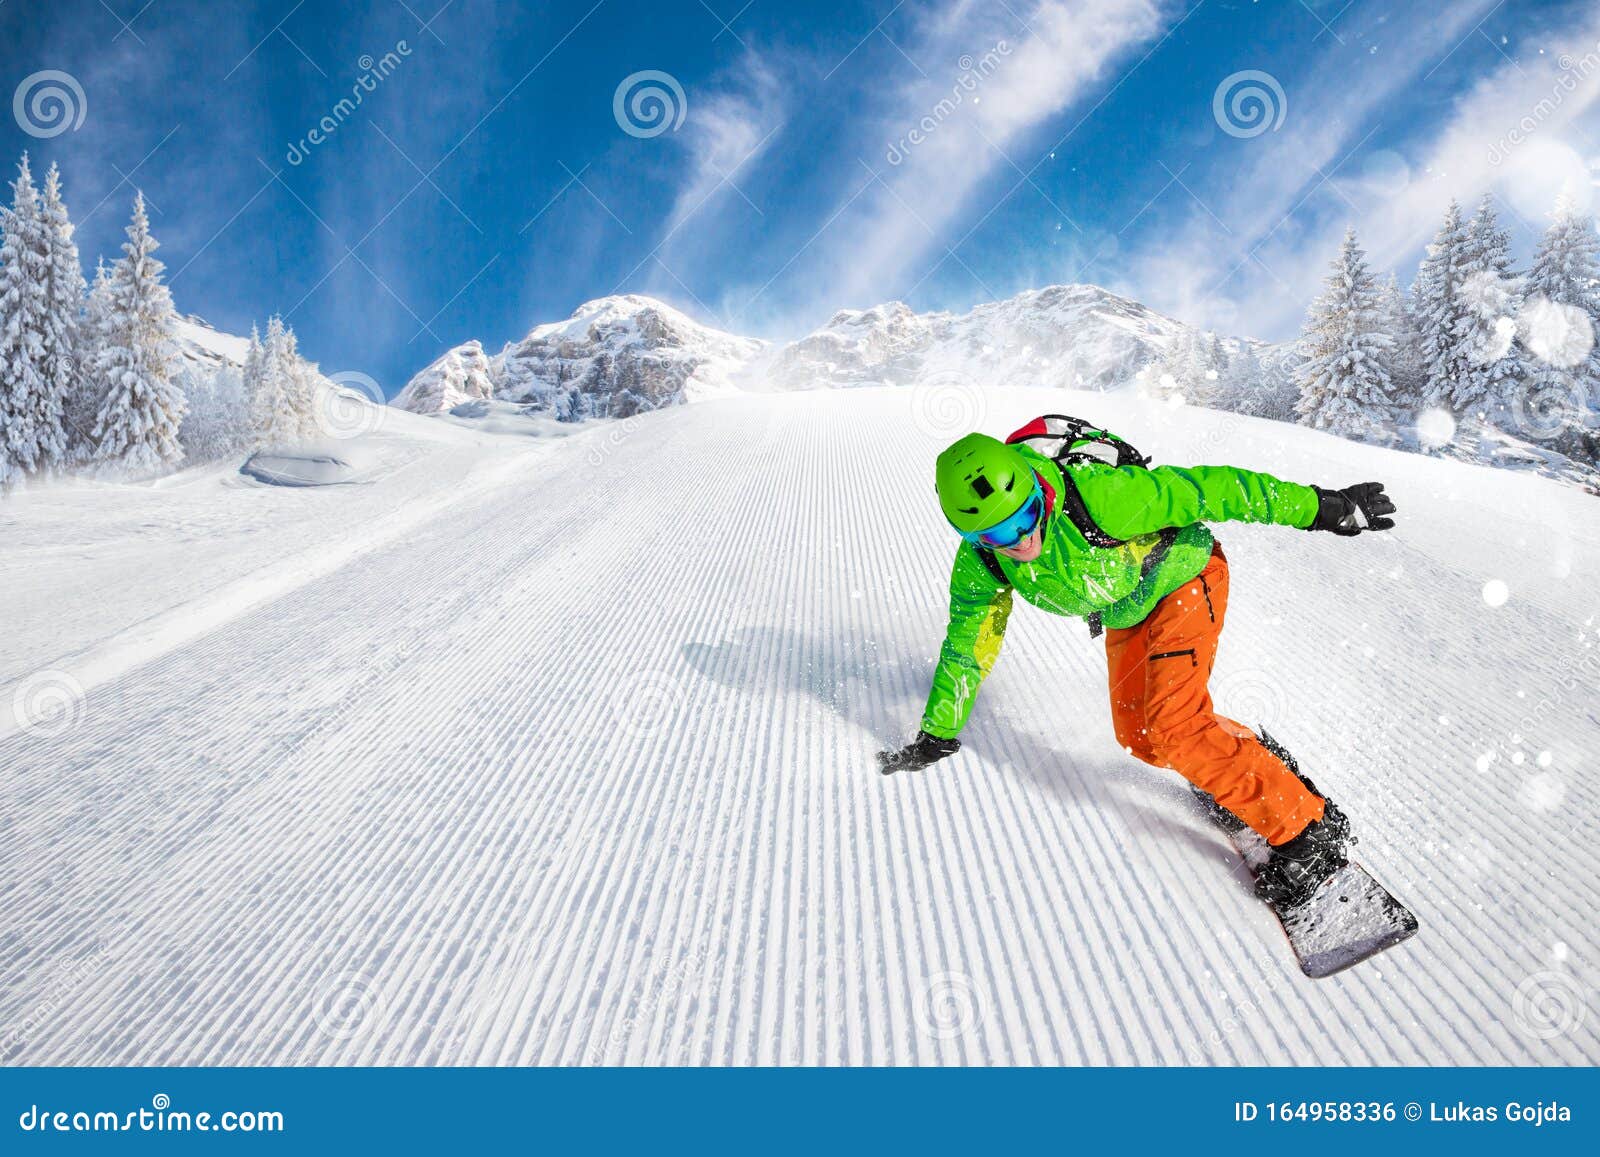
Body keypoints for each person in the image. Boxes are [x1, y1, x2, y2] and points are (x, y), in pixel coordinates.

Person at [877, 424, 1396, 908]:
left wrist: (1324, 507)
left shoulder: (1103, 497)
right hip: (1127, 610)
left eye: (1025, 516)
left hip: (1185, 579)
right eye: (997, 535)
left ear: (1039, 491)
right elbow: (969, 644)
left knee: (1176, 728)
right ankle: (1250, 762)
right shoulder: (983, 562)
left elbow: (1217, 489)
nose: (1020, 541)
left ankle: (1309, 834)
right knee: (1141, 738)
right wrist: (938, 731)